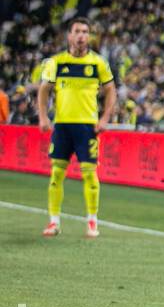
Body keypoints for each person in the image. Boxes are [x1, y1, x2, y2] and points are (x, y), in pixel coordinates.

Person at [38, 18, 117, 238]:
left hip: (87, 128)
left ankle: (92, 221)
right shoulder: (56, 62)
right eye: (77, 31)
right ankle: (54, 221)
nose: (82, 35)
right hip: (62, 126)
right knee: (56, 174)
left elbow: (111, 90)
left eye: (85, 31)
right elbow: (44, 90)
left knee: (90, 175)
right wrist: (43, 116)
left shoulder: (98, 63)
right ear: (69, 36)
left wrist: (104, 118)